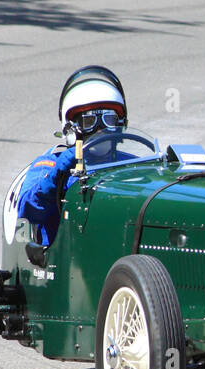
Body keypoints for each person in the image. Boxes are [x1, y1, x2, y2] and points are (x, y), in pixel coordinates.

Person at [17, 66, 127, 246]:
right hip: (62, 259)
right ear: (71, 129)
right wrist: (57, 177)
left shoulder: (132, 164)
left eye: (110, 119)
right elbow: (28, 212)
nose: (100, 129)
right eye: (89, 121)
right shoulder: (50, 164)